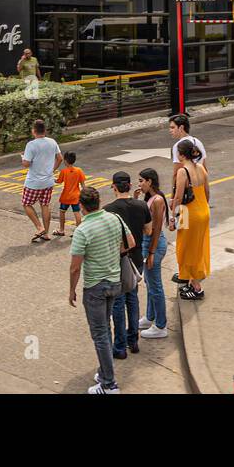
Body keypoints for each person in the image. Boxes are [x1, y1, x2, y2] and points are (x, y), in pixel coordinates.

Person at [69, 187, 134, 394]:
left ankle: (109, 383)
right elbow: (130, 243)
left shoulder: (82, 230)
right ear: (98, 202)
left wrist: (71, 291)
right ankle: (104, 371)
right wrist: (111, 254)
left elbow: (75, 267)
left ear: (81, 206)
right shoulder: (114, 218)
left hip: (95, 287)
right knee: (105, 329)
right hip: (114, 282)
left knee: (100, 334)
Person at [105, 171, 150, 360]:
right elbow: (148, 230)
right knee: (133, 298)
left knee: (118, 302)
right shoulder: (141, 206)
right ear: (130, 186)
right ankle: (134, 340)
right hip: (137, 258)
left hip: (118, 260)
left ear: (113, 186)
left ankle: (120, 346)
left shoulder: (108, 209)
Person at [171, 138, 210, 301]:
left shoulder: (182, 171)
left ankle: (194, 285)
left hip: (188, 213)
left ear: (181, 155)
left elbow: (178, 197)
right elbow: (207, 193)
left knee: (185, 247)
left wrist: (172, 216)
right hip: (203, 211)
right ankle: (191, 276)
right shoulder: (201, 168)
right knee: (198, 247)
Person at [135, 167, 170, 338]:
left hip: (153, 244)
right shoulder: (150, 198)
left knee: (155, 287)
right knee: (149, 283)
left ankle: (161, 326)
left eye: (141, 181)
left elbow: (155, 229)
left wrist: (151, 252)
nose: (139, 184)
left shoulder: (157, 201)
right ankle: (150, 317)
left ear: (149, 181)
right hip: (148, 243)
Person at [21, 119, 63, 243]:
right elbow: (60, 158)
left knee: (26, 204)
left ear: (33, 131)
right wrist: (52, 170)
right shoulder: (52, 142)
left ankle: (39, 227)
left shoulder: (31, 145)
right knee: (45, 205)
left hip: (33, 182)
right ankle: (46, 233)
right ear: (45, 131)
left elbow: (26, 164)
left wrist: (23, 158)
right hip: (48, 181)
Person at [52, 150, 86, 236]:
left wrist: (52, 178)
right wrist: (85, 193)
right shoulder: (79, 170)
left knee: (62, 212)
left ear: (66, 161)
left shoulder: (64, 171)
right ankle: (78, 232)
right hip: (76, 196)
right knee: (77, 213)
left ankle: (61, 230)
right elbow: (83, 184)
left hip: (66, 196)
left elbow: (59, 181)